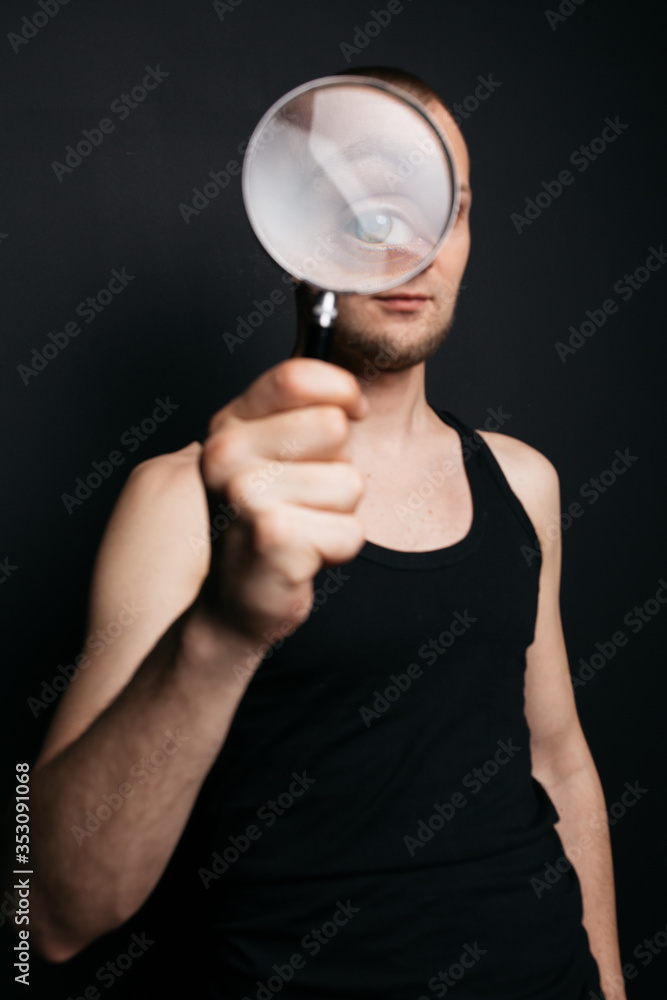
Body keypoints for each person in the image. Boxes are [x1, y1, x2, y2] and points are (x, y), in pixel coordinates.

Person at [12, 66, 625, 999]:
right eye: (372, 205)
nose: (413, 244)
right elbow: (41, 911)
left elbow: (559, 760)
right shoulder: (179, 499)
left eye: (445, 208)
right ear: (288, 228)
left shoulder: (522, 479)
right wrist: (223, 628)